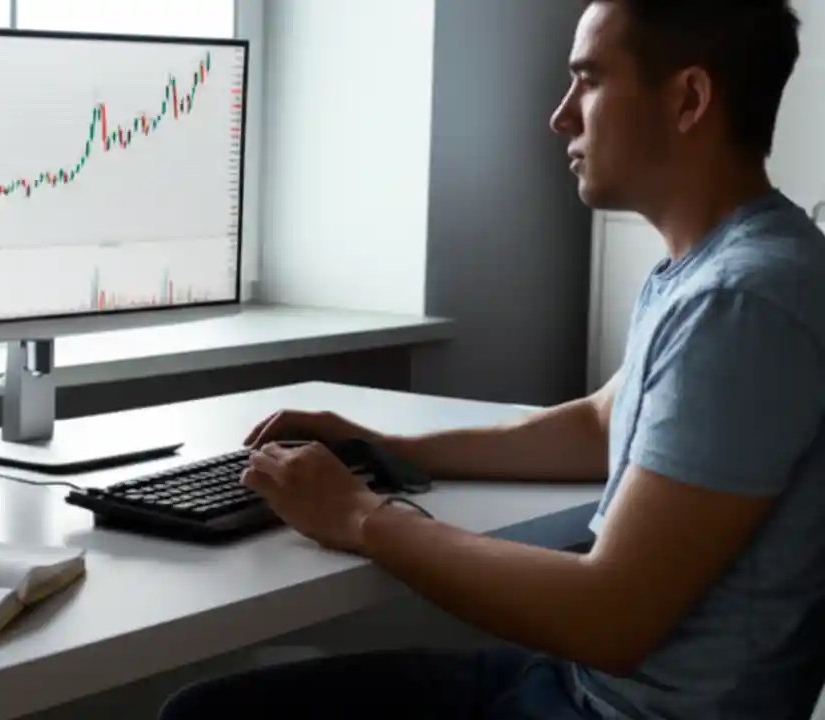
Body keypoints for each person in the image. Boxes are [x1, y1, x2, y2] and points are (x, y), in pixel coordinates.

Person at [159, 1, 825, 718]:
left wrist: (360, 516)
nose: (561, 116)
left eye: (589, 81)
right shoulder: (721, 269)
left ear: (689, 99)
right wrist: (383, 448)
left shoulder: (743, 299)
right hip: (580, 687)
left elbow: (610, 619)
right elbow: (604, 425)